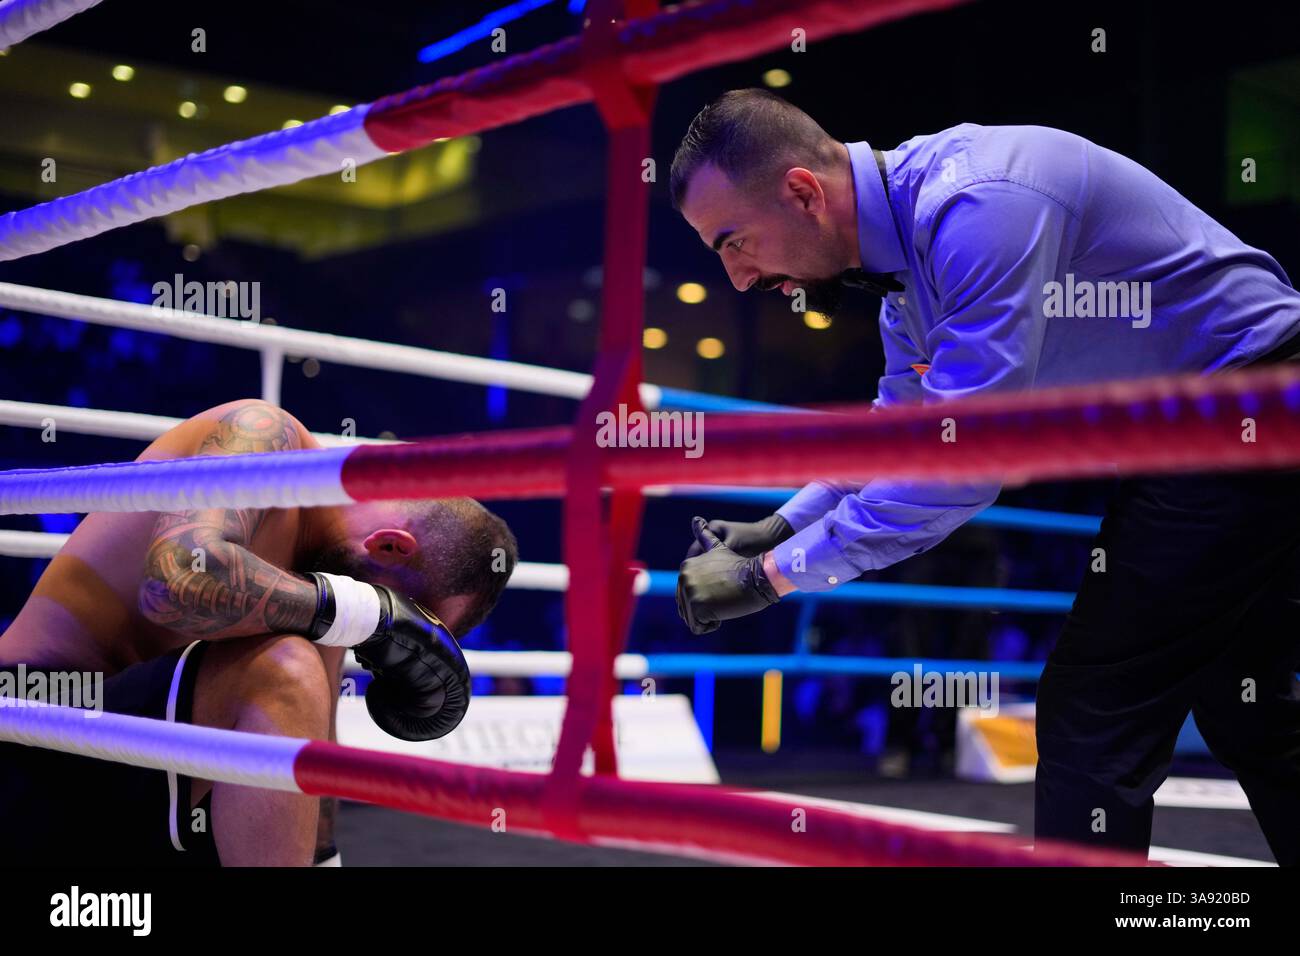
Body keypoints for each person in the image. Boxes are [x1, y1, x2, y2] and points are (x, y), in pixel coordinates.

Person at [670, 88, 1300, 863]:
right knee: (1254, 709)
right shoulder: (907, 278)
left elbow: (958, 468)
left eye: (734, 242)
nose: (737, 278)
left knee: (1092, 711)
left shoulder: (977, 208)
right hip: (1218, 425)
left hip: (1252, 406)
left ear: (802, 192)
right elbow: (900, 430)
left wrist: (771, 576)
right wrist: (784, 522)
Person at [0, 399, 518, 866]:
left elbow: (314, 753)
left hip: (135, 778)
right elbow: (175, 579)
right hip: (33, 739)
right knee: (285, 667)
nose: (381, 635)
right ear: (388, 548)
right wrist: (368, 613)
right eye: (406, 607)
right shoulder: (264, 436)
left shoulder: (329, 585)